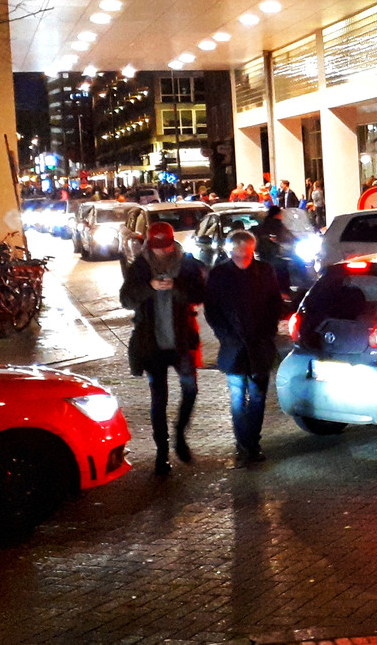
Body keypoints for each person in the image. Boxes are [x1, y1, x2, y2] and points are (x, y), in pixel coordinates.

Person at [118, 221, 206, 476]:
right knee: (159, 399)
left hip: (180, 341)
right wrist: (149, 288)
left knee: (190, 388)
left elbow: (199, 294)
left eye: (166, 247)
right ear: (149, 245)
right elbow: (125, 299)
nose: (162, 252)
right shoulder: (140, 266)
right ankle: (162, 453)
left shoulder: (186, 263)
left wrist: (176, 289)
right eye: (158, 248)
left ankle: (180, 435)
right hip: (152, 344)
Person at [203, 231, 283, 467]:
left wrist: (268, 331)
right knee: (238, 397)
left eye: (246, 255)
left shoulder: (265, 271)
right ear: (230, 253)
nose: (242, 260)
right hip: (235, 348)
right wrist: (226, 337)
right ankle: (244, 444)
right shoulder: (220, 275)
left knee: (257, 396)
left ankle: (252, 443)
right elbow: (212, 310)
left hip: (259, 345)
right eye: (238, 256)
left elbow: (274, 303)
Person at [251, 204, 290, 292]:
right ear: (277, 214)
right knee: (281, 271)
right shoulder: (276, 224)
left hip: (268, 254)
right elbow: (286, 236)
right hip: (275, 254)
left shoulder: (265, 224)